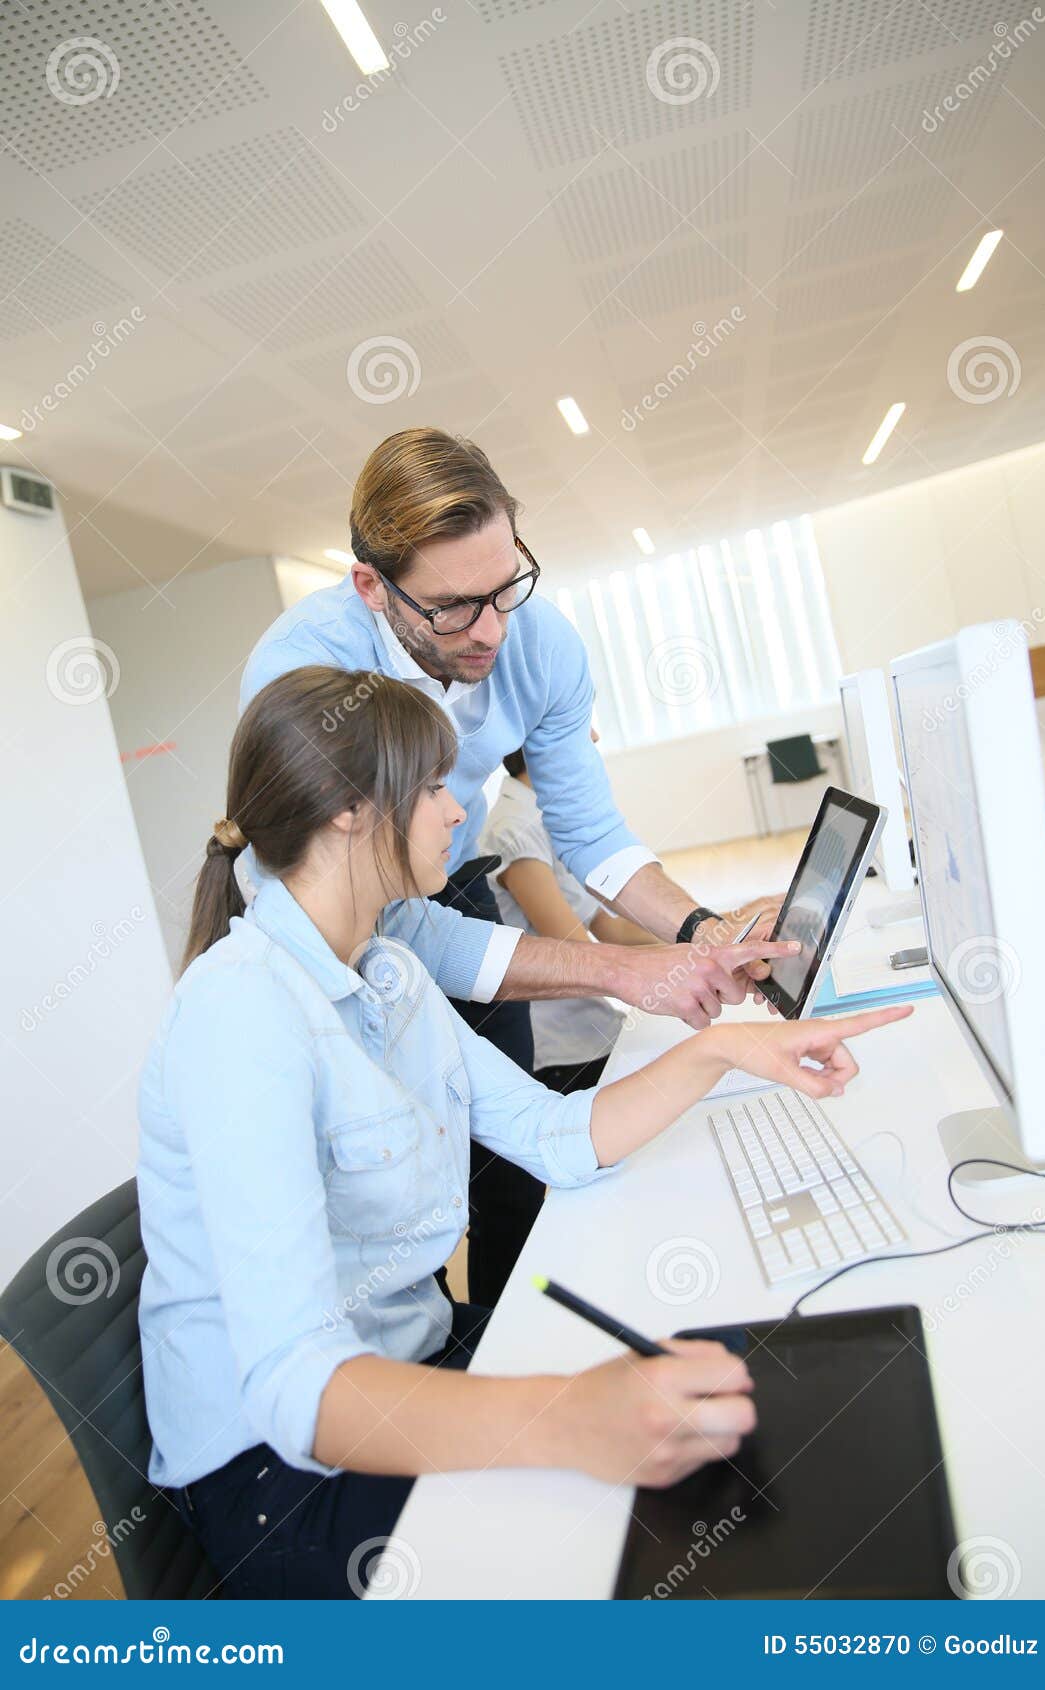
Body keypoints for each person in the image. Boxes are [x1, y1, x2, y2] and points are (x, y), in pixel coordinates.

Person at [137, 665, 910, 1599]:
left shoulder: (387, 970)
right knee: (648, 1530)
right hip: (288, 1479)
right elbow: (297, 1388)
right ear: (348, 809)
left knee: (730, 1418)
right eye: (430, 788)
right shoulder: (241, 1016)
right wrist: (567, 1418)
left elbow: (551, 1136)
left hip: (409, 1359)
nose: (455, 812)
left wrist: (730, 1053)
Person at [240, 428, 780, 1304]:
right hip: (335, 921)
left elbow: (588, 829)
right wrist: (627, 971)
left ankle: (491, 1331)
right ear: (373, 589)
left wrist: (699, 933)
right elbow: (379, 917)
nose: (492, 629)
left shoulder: (537, 644)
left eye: (506, 588)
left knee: (511, 1160)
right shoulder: (304, 675)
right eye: (454, 606)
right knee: (383, 1183)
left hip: (428, 885)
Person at [482, 738, 658, 1093]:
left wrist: (705, 937)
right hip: (561, 1053)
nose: (594, 737)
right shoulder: (514, 828)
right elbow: (577, 948)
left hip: (590, 1029)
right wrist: (693, 959)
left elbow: (609, 927)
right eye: (580, 726)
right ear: (538, 745)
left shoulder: (539, 816)